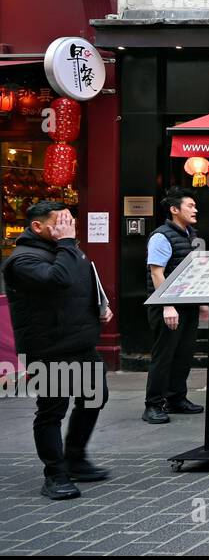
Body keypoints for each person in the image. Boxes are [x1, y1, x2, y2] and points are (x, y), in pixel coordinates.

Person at [1, 202, 113, 499]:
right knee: (52, 410)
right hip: (49, 347)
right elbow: (58, 280)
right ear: (37, 227)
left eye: (69, 221)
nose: (67, 227)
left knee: (95, 397)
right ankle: (55, 474)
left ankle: (75, 457)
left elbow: (83, 282)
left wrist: (101, 306)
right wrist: (66, 242)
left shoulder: (66, 249)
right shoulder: (22, 260)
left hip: (80, 340)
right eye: (59, 222)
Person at [142, 188, 204, 424]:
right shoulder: (161, 236)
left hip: (187, 305)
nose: (195, 209)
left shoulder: (188, 234)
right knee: (164, 356)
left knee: (183, 354)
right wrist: (168, 305)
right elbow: (157, 273)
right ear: (174, 210)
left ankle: (177, 398)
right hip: (167, 307)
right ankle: (153, 405)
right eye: (190, 206)